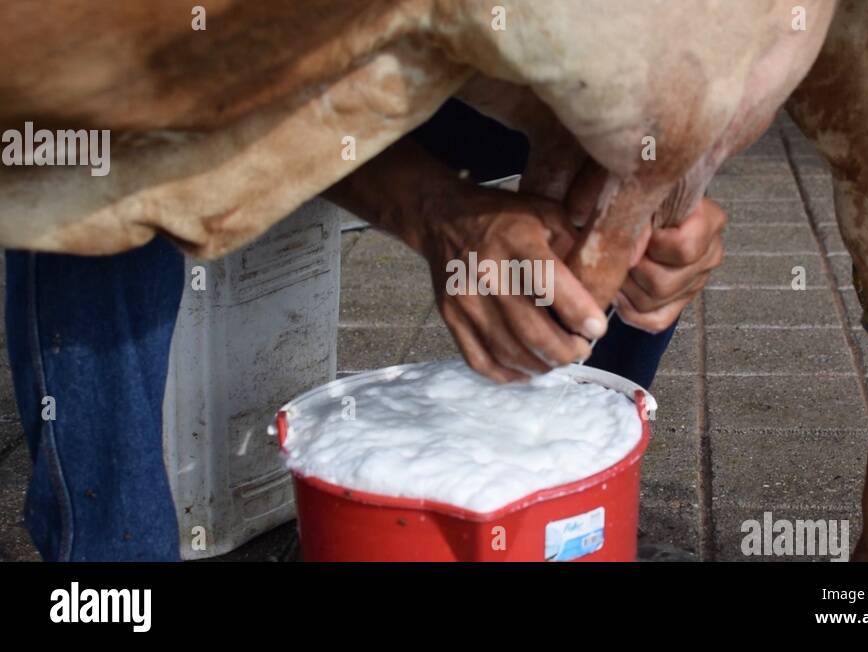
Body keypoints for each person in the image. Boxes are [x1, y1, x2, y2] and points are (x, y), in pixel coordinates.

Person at [4, 100, 724, 561]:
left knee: (647, 148)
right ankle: (112, 567)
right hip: (241, 77)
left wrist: (654, 200)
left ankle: (580, 480)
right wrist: (437, 209)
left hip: (475, 91)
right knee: (87, 135)